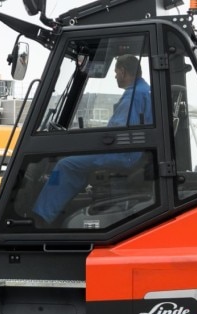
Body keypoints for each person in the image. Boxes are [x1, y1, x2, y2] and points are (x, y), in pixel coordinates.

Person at [31, 54, 152, 225]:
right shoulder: (143, 91)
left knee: (64, 165)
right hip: (130, 152)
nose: (116, 76)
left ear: (123, 72)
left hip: (123, 155)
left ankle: (40, 218)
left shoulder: (134, 96)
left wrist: (86, 140)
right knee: (76, 165)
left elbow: (117, 132)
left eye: (116, 73)